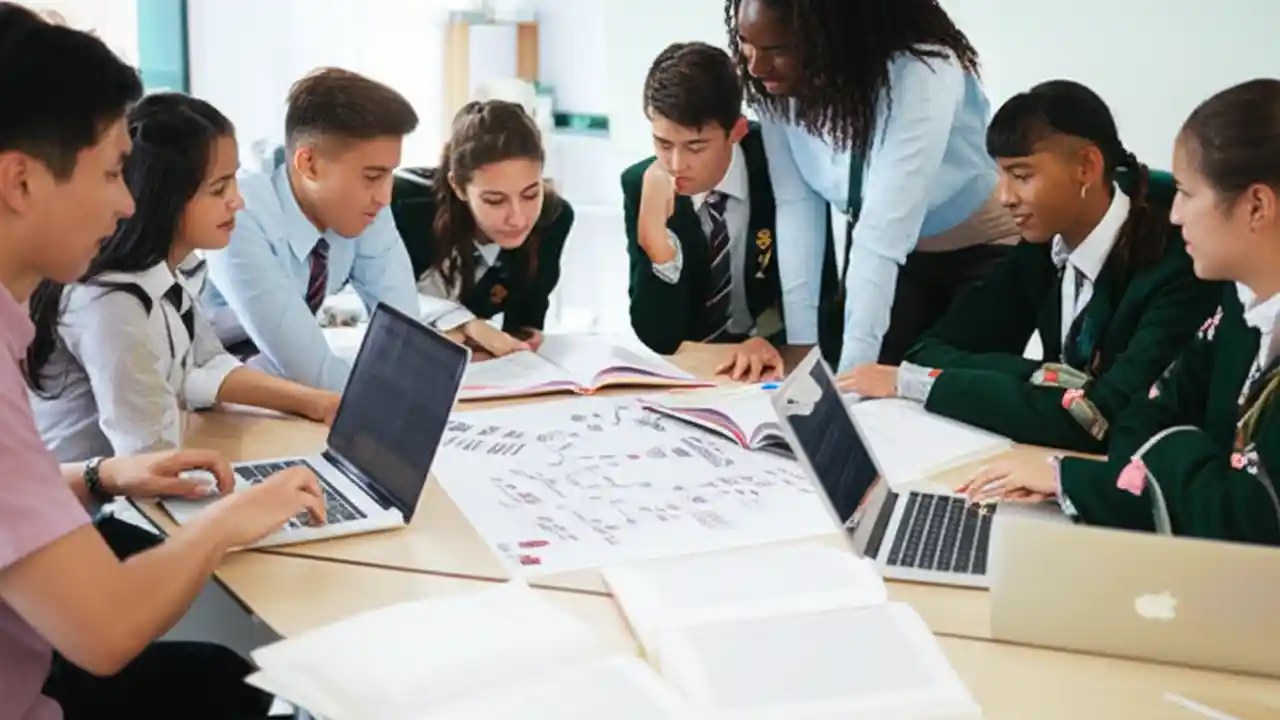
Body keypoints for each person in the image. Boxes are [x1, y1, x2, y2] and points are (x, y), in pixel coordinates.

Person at [0, 5, 328, 718]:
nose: (125, 202)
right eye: (115, 172)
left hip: (39, 643)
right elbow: (107, 629)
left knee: (232, 675)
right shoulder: (102, 302)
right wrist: (232, 518)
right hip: (40, 681)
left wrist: (98, 475)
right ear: (20, 182)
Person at [960, 79, 1280, 547]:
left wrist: (1084, 478)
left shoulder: (1211, 292)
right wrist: (1184, 470)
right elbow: (1147, 415)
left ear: (1256, 206)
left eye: (1188, 194)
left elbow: (1250, 517)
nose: (1175, 215)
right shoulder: (1239, 302)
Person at [838, 81, 1220, 452]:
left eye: (1021, 176)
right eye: (1000, 175)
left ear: (1086, 167)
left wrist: (924, 385)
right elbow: (931, 350)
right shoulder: (1043, 246)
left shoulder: (1179, 267)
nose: (1004, 197)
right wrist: (1044, 378)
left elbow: (1098, 419)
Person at [26, 92, 343, 464]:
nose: (237, 201)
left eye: (234, 181)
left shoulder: (170, 272)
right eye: (218, 188)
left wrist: (319, 403)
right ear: (166, 198)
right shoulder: (114, 303)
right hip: (92, 512)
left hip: (141, 484)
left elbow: (204, 364)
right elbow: (149, 462)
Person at [727, 0, 1019, 372]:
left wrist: (851, 380)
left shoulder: (923, 72)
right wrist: (803, 345)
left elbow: (884, 235)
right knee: (869, 377)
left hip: (982, 249)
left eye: (777, 49)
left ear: (828, 37)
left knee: (935, 387)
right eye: (745, 42)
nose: (755, 65)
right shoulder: (772, 84)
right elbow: (797, 204)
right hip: (894, 253)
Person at [202, 67, 420, 392]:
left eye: (389, 174)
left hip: (274, 386)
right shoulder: (240, 211)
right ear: (309, 165)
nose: (385, 196)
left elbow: (408, 340)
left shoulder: (366, 203)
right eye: (373, 177)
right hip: (203, 392)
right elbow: (312, 372)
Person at [623, 41, 785, 381]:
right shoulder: (643, 184)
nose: (677, 164)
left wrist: (767, 344)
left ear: (736, 132)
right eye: (663, 144)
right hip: (698, 365)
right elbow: (656, 334)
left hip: (772, 358)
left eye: (696, 147)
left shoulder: (777, 163)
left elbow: (818, 295)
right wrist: (656, 242)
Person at [390, 100, 572, 357]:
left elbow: (523, 325)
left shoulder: (552, 218)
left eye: (531, 194)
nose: (518, 219)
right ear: (458, 186)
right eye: (495, 201)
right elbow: (379, 298)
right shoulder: (403, 205)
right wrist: (462, 323)